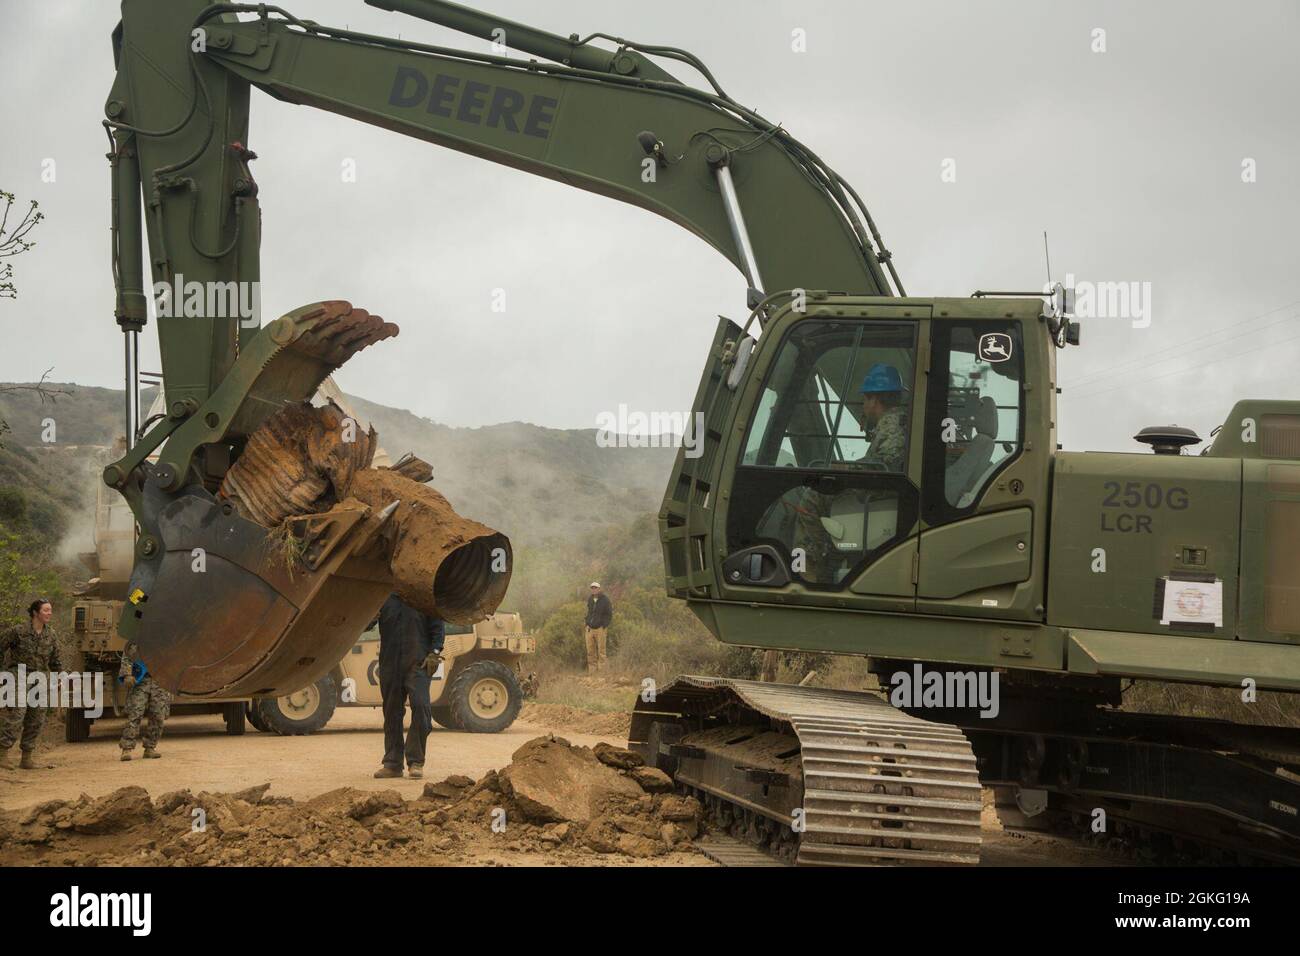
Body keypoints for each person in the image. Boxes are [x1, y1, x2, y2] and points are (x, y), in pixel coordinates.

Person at [374, 593, 444, 780]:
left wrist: (435, 652)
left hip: (418, 663)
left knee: (421, 707)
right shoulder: (383, 599)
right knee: (392, 713)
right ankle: (392, 764)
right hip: (390, 663)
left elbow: (438, 628)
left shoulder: (423, 597)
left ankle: (416, 761)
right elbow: (365, 624)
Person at [0, 598, 61, 771]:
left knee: (36, 717)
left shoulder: (52, 635)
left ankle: (26, 757)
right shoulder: (18, 631)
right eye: (46, 610)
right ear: (35, 613)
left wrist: (58, 679)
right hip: (17, 674)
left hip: (39, 677)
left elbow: (55, 660)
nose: (49, 613)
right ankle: (3, 753)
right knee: (17, 712)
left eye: (50, 610)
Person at [118, 641, 171, 761]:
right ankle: (126, 748)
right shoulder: (137, 638)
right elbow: (127, 656)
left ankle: (150, 748)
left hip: (160, 680)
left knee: (158, 715)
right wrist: (127, 674)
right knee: (135, 713)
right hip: (141, 681)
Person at [857, 363, 909, 473]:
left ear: (874, 400)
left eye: (864, 400)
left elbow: (885, 466)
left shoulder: (893, 427)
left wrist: (847, 468)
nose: (863, 406)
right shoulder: (896, 423)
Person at [584, 582, 613, 675]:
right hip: (589, 629)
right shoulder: (590, 599)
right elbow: (589, 612)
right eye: (592, 588)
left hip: (600, 629)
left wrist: (604, 625)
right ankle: (592, 672)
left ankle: (602, 672)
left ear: (599, 589)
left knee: (601, 651)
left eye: (595, 588)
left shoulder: (605, 600)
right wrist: (587, 622)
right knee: (590, 651)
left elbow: (609, 614)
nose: (594, 589)